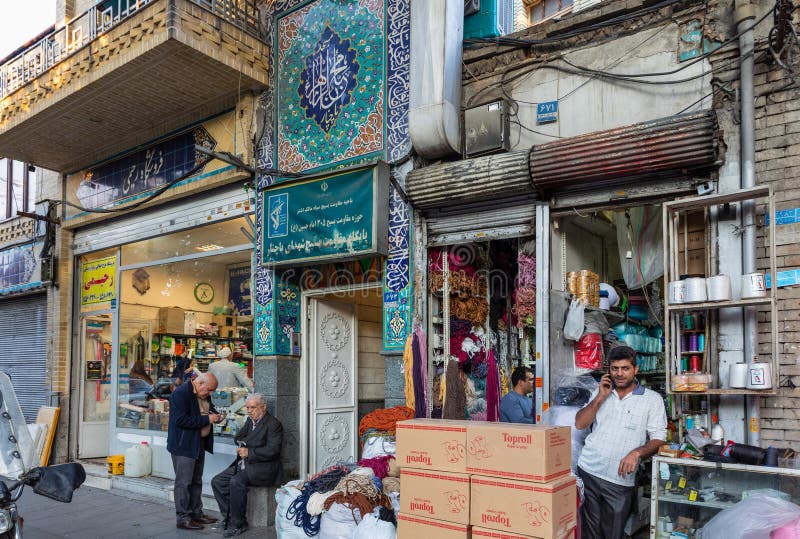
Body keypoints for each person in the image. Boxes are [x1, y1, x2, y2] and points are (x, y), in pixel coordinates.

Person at [575, 346, 667, 539]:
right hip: (588, 471)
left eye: (625, 368)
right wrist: (600, 396)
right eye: (615, 368)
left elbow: (659, 439)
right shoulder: (601, 393)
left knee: (613, 533)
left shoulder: (652, 400)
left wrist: (636, 453)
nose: (619, 373)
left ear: (636, 369)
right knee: (588, 533)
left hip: (619, 481)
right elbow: (580, 423)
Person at [211, 393, 284, 537]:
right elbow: (238, 437)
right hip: (247, 464)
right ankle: (229, 518)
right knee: (217, 481)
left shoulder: (273, 424)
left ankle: (239, 523)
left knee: (236, 481)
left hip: (264, 468)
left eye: (253, 407)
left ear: (263, 408)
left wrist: (250, 451)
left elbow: (273, 450)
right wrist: (247, 446)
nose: (249, 410)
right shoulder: (250, 421)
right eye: (248, 407)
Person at [167, 372, 223, 530]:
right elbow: (180, 420)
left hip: (199, 442)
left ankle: (196, 514)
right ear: (200, 383)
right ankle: (183, 518)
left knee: (196, 480)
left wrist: (216, 416)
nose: (210, 394)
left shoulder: (203, 393)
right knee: (183, 482)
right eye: (210, 390)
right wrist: (207, 420)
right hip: (183, 444)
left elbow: (208, 410)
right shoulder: (180, 394)